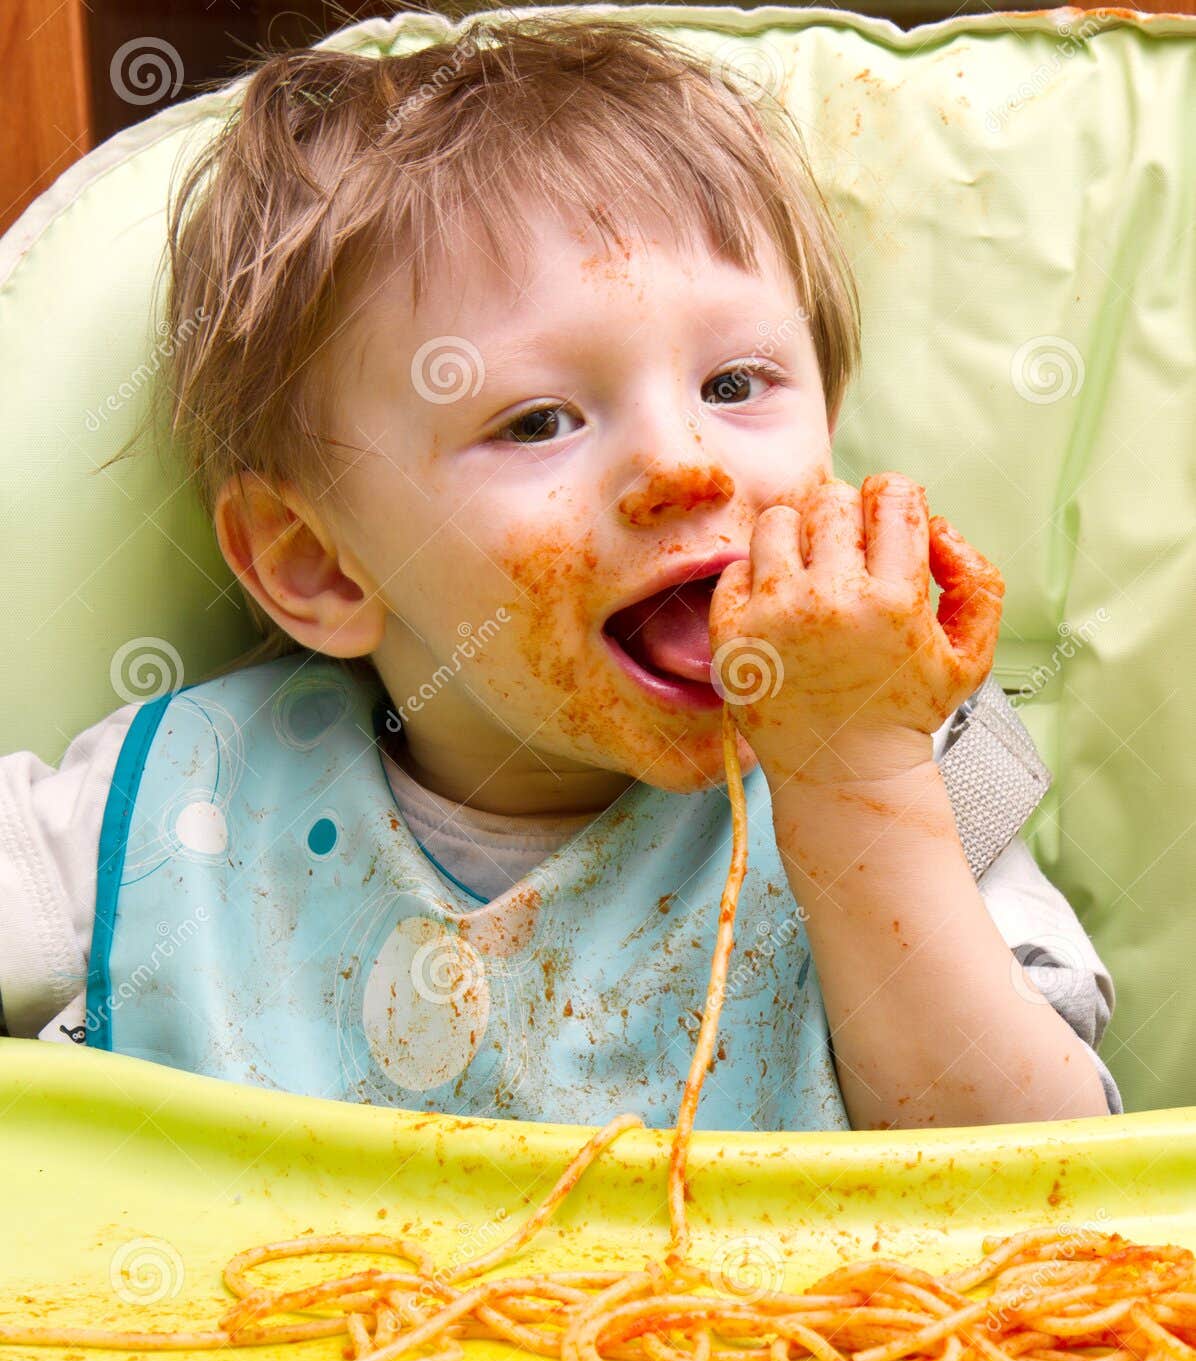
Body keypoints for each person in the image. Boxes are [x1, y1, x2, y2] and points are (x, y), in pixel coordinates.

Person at [0, 16, 1120, 1130]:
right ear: (319, 567)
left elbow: (1042, 1183)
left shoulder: (908, 761)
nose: (683, 464)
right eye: (537, 419)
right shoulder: (163, 820)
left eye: (734, 385)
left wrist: (858, 788)